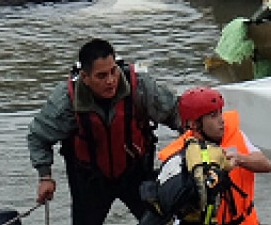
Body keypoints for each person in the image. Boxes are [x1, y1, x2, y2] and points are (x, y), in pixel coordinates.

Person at [28, 38, 180, 225]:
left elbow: (176, 114)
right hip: (90, 180)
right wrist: (45, 177)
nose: (111, 81)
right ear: (85, 77)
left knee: (164, 221)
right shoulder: (66, 101)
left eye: (113, 71)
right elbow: (38, 137)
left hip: (136, 173)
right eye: (101, 76)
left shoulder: (141, 88)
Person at [144, 87, 271, 225]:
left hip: (248, 220)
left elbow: (266, 165)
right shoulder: (179, 158)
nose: (221, 120)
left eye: (220, 112)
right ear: (194, 124)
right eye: (213, 116)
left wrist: (240, 159)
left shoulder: (234, 134)